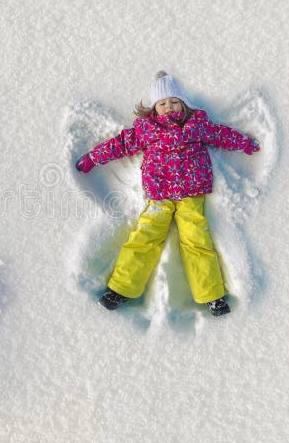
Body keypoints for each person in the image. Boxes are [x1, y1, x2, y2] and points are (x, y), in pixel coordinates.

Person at [75, 71, 260, 316]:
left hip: (191, 193)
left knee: (196, 240)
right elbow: (120, 145)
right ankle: (120, 288)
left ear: (184, 104)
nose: (169, 107)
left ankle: (212, 295)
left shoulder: (197, 126)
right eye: (162, 103)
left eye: (174, 101)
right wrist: (92, 158)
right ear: (154, 108)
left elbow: (220, 135)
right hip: (159, 194)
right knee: (145, 237)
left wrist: (244, 143)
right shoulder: (146, 129)